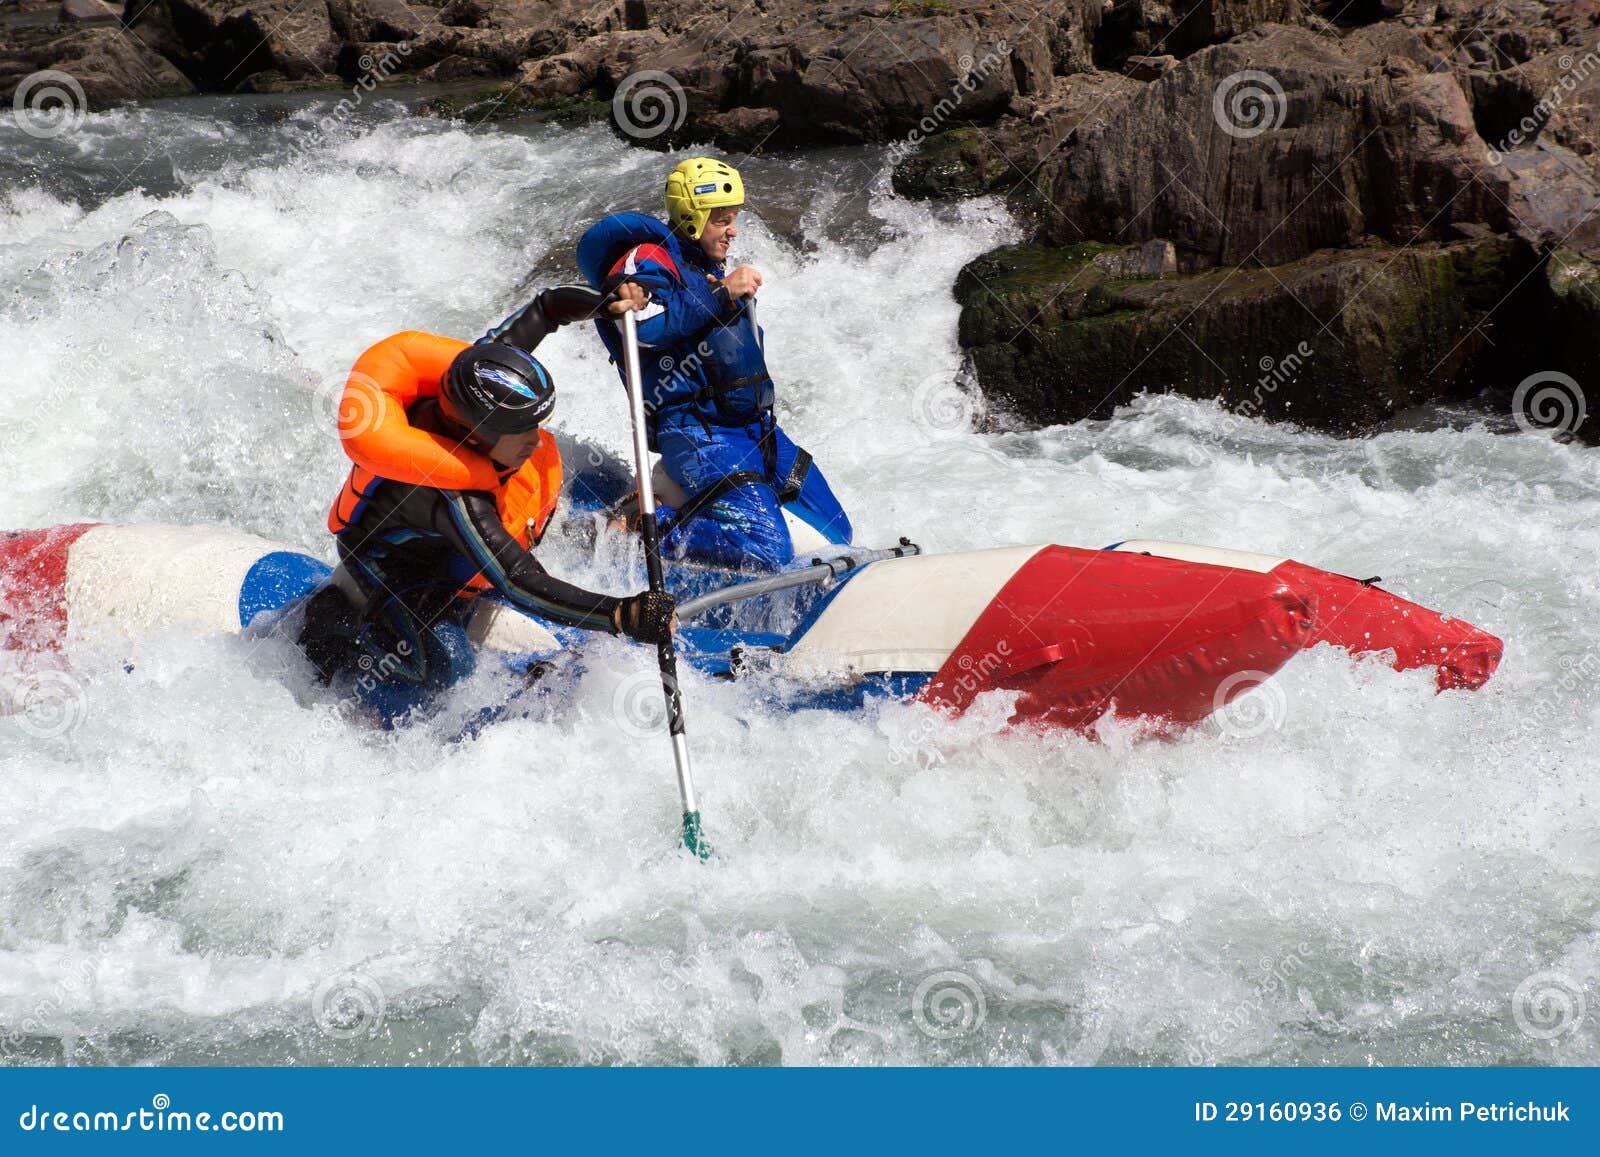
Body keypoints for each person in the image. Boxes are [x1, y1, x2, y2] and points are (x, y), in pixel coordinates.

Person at [298, 281, 675, 724]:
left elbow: (546, 308)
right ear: (477, 434)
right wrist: (622, 614)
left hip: (444, 543)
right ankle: (340, 633)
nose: (535, 442)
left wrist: (604, 303)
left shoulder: (480, 375)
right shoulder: (454, 493)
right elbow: (518, 581)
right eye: (523, 432)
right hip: (396, 566)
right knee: (445, 667)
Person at [495, 156, 852, 571]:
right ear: (691, 219)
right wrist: (722, 295)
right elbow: (645, 325)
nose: (732, 230)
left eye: (733, 218)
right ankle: (632, 526)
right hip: (701, 434)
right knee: (767, 551)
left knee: (838, 532)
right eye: (721, 220)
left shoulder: (704, 267)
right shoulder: (647, 258)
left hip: (758, 428)